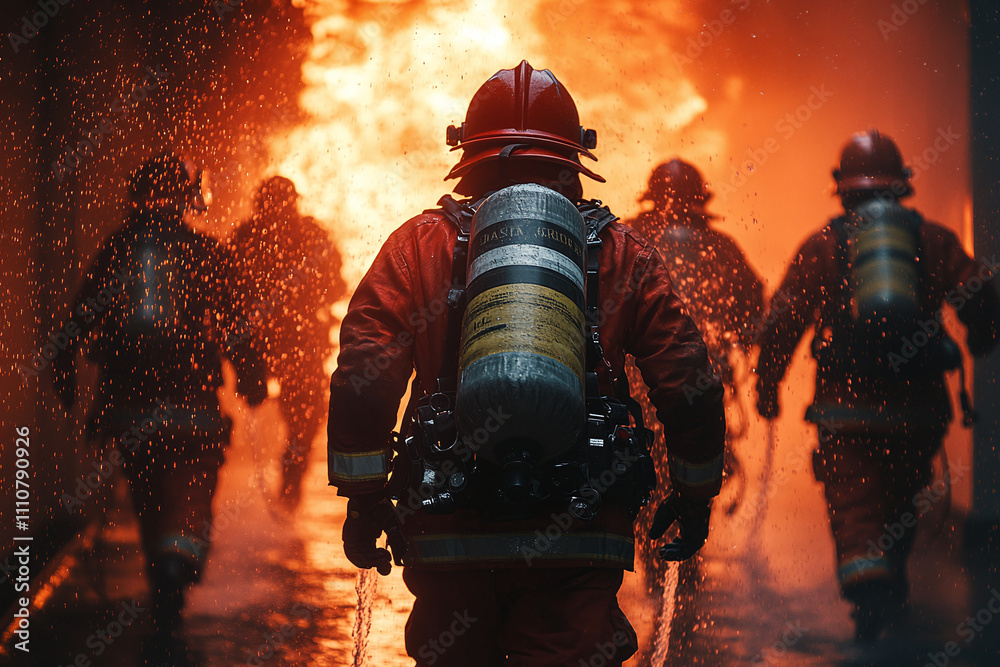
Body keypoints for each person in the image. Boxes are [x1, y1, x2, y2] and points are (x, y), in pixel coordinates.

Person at [327, 61, 727, 666]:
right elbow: (688, 382)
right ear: (573, 156)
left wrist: (363, 497)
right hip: (580, 534)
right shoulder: (622, 253)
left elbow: (364, 375)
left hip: (450, 527)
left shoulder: (418, 245)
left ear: (467, 151)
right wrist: (694, 495)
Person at [754, 129, 1000, 641]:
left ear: (842, 187)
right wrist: (979, 338)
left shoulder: (823, 246)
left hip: (846, 414)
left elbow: (783, 321)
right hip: (918, 412)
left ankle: (873, 604)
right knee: (900, 500)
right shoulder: (933, 240)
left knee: (857, 508)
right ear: (901, 182)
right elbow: (981, 294)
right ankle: (889, 590)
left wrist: (768, 385)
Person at [52, 152, 267, 645]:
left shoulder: (116, 249)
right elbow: (236, 328)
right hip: (194, 413)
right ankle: (176, 567)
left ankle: (164, 582)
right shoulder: (206, 252)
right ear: (190, 197)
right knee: (189, 497)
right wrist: (253, 379)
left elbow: (77, 321)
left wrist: (65, 380)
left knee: (149, 500)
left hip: (128, 411)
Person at [626, 158, 764, 659]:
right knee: (697, 471)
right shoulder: (721, 247)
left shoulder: (629, 237)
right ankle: (685, 577)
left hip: (638, 393)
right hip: (700, 394)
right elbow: (754, 307)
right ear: (700, 200)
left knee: (642, 477)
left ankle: (652, 561)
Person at [230, 176, 345, 507]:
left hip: (275, 344)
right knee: (304, 418)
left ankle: (290, 479)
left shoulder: (248, 236)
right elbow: (335, 285)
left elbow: (229, 299)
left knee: (303, 418)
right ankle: (290, 478)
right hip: (289, 343)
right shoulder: (303, 234)